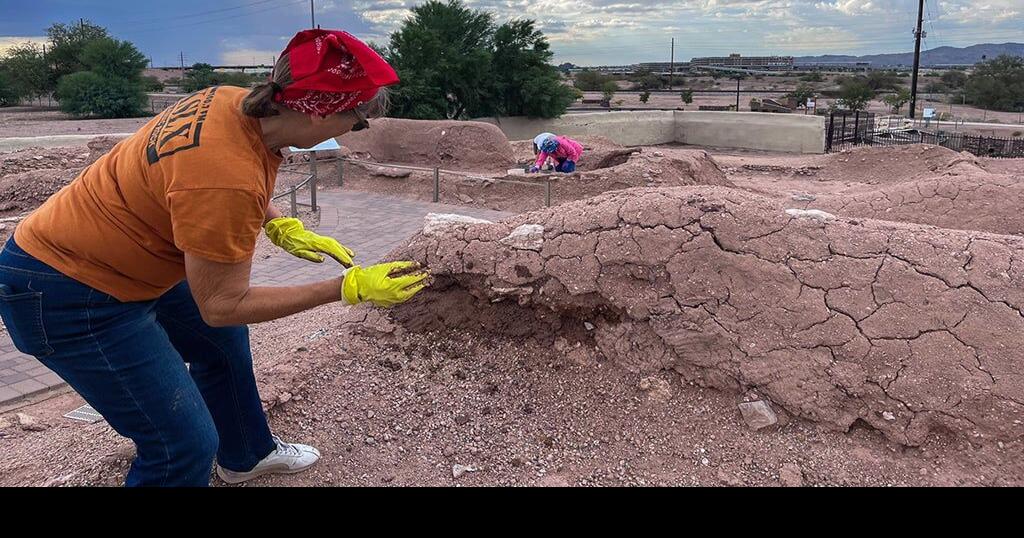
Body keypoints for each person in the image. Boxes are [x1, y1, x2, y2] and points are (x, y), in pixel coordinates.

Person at [0, 29, 428, 487]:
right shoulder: (227, 182)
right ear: (323, 113)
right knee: (181, 445)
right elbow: (222, 304)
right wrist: (346, 288)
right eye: (358, 121)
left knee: (221, 344)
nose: (356, 130)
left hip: (104, 253)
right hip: (65, 292)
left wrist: (279, 221)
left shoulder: (229, 100)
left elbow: (203, 168)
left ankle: (247, 453)